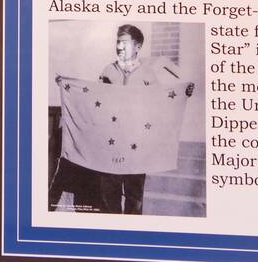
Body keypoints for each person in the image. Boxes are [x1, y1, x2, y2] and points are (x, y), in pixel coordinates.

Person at [50, 25, 194, 215]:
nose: (119, 47)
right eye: (118, 42)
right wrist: (68, 87)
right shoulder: (108, 70)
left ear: (137, 46)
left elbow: (158, 103)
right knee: (109, 198)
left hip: (136, 148)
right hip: (111, 147)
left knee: (134, 198)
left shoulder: (147, 75)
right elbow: (95, 100)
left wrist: (184, 92)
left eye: (124, 43)